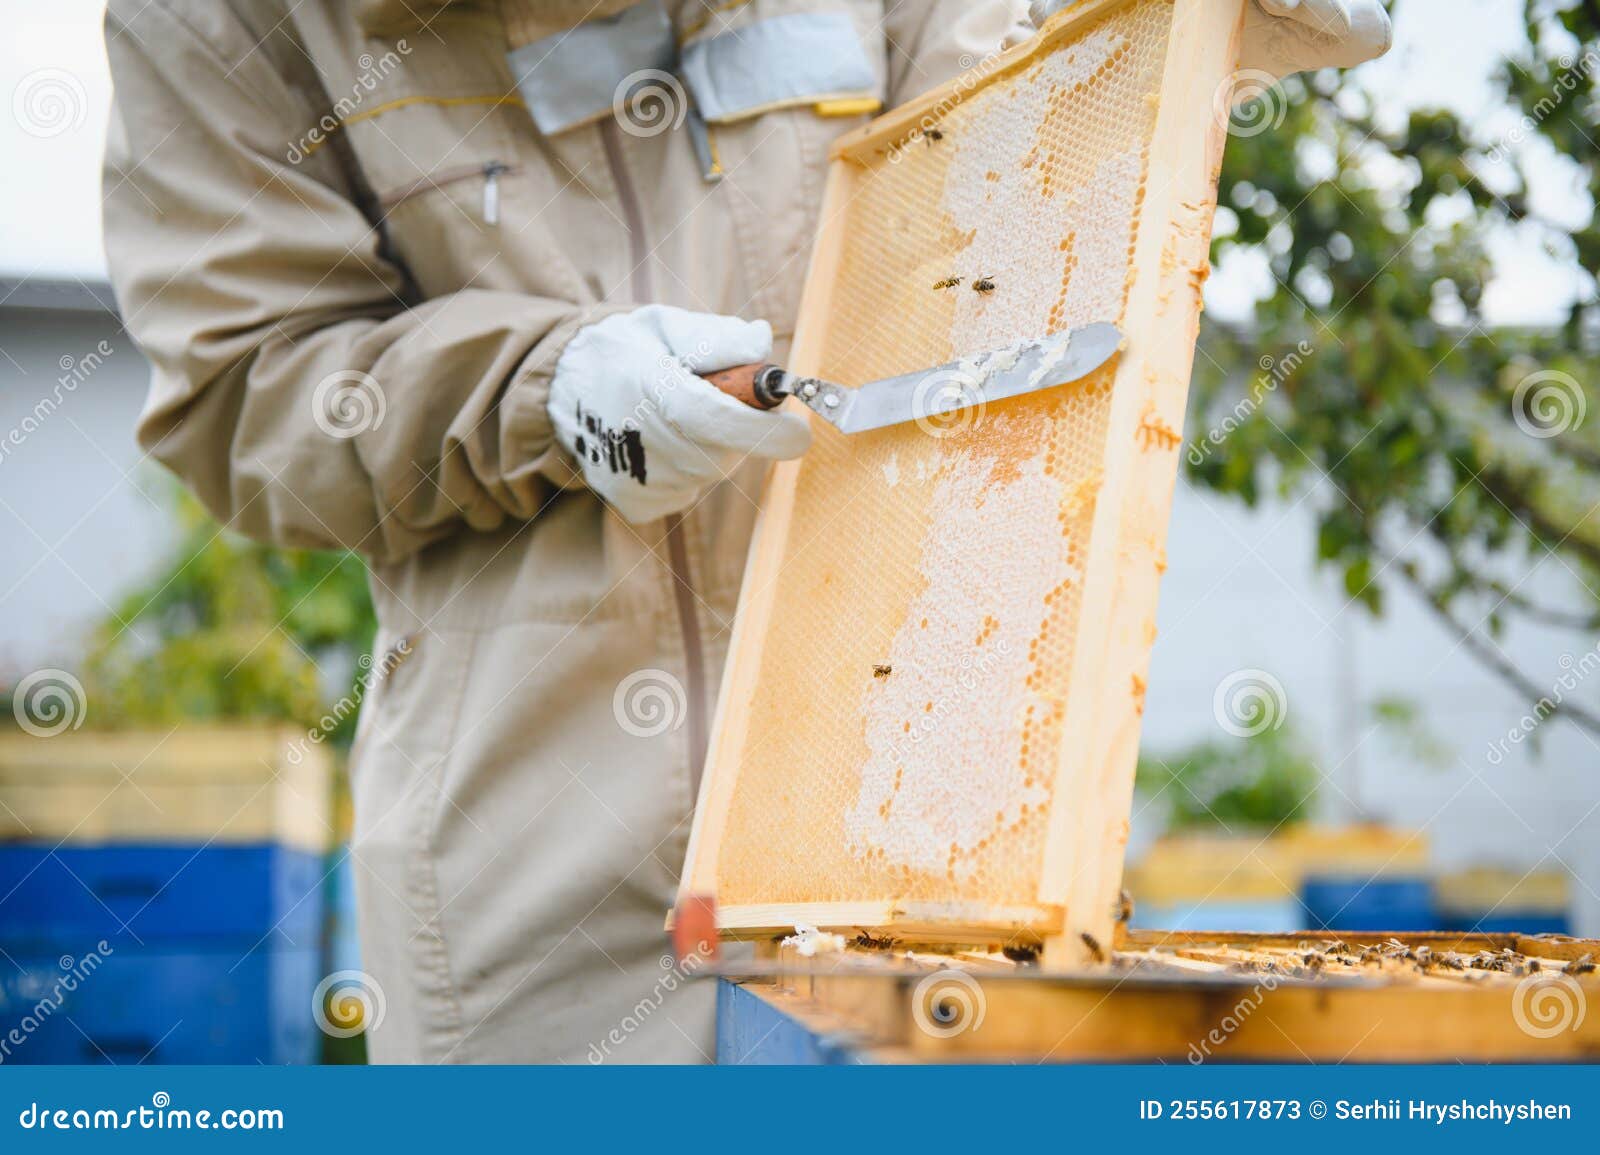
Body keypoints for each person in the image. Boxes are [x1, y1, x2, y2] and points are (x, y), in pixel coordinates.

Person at [101, 0, 1391, 1063]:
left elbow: (1005, 164)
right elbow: (243, 392)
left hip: (916, 803)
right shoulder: (210, 20)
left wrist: (1148, 52)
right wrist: (543, 395)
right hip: (529, 876)